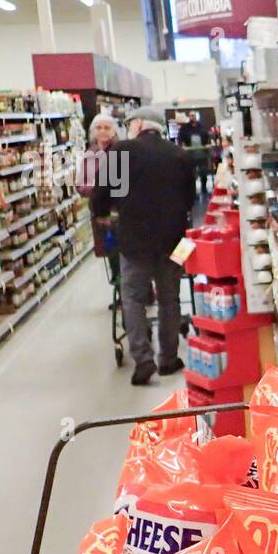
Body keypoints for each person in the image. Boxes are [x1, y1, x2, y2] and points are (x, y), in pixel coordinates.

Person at [91, 106, 195, 386]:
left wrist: (104, 213)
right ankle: (169, 358)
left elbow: (103, 195)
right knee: (169, 297)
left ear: (137, 124)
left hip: (134, 239)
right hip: (174, 240)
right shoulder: (180, 155)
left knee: (133, 298)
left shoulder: (123, 153)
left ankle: (143, 359)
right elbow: (189, 200)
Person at [76, 113, 118, 197]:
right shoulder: (89, 154)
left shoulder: (119, 152)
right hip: (95, 205)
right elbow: (80, 186)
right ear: (93, 131)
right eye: (98, 128)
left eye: (107, 128)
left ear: (114, 132)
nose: (102, 131)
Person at [177, 110, 211, 197]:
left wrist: (208, 144)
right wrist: (182, 146)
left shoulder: (202, 127)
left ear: (196, 116)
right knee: (191, 174)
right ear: (189, 117)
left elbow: (207, 137)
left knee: (203, 172)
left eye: (194, 115)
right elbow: (180, 139)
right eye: (191, 115)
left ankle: (204, 189)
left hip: (202, 154)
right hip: (190, 155)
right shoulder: (184, 128)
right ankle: (193, 191)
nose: (193, 117)